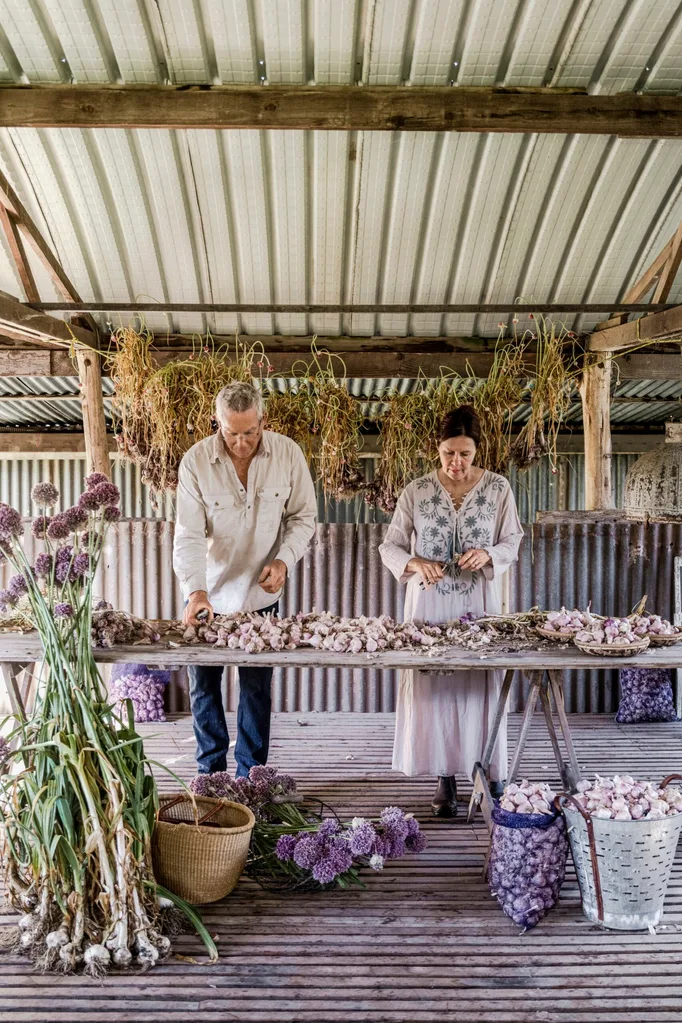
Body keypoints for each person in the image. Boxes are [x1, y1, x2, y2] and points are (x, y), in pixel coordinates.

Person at [379, 406, 524, 817]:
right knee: (436, 688)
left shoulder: (498, 489)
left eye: (464, 454)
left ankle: (484, 771)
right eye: (448, 454)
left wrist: (488, 553)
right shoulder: (417, 492)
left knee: (477, 685)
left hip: (479, 605)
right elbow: (389, 545)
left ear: (477, 450)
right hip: (429, 606)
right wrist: (414, 562)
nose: (456, 464)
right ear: (436, 449)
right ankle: (445, 777)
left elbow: (512, 541)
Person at [173, 381, 316, 777]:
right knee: (204, 688)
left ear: (263, 421)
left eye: (250, 432)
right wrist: (196, 592)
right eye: (231, 433)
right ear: (217, 423)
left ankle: (252, 776)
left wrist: (284, 560)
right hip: (207, 596)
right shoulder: (195, 462)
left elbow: (303, 517)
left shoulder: (288, 454)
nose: (241, 442)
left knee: (255, 689)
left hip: (262, 594)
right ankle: (211, 775)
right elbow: (187, 535)